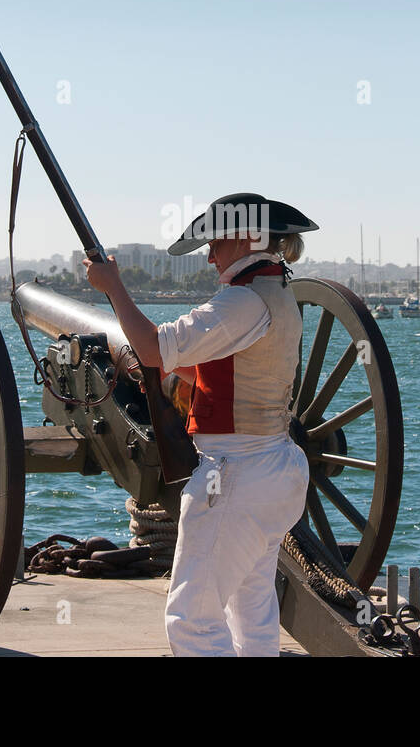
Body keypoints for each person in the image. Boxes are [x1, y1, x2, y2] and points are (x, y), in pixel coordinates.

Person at [82, 192, 318, 656]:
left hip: (235, 475)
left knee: (191, 620)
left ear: (249, 238)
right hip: (275, 470)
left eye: (217, 243)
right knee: (252, 615)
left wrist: (113, 287)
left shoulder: (242, 302)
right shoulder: (277, 296)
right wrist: (166, 366)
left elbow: (151, 346)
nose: (209, 255)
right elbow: (230, 371)